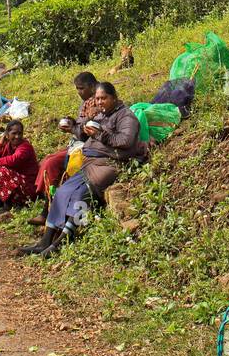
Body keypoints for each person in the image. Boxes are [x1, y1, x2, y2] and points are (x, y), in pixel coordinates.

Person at [20, 81, 146, 258]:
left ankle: (60, 243)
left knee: (81, 196)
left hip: (108, 164)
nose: (100, 102)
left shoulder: (126, 117)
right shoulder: (102, 115)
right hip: (89, 163)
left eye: (104, 98)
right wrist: (73, 127)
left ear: (114, 98)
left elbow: (125, 141)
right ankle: (45, 241)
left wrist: (100, 134)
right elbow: (84, 133)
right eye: (98, 99)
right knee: (63, 192)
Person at [30, 71, 99, 227]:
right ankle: (46, 207)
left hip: (88, 147)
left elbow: (86, 131)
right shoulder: (87, 101)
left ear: (92, 86)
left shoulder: (96, 103)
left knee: (52, 164)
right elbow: (81, 124)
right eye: (77, 89)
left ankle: (48, 212)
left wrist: (72, 128)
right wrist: (73, 123)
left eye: (81, 88)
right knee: (48, 159)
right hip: (77, 143)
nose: (79, 92)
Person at [0, 120, 39, 217]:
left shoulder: (25, 147)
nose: (17, 136)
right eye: (14, 133)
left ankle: (7, 205)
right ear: (7, 134)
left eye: (19, 133)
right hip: (14, 183)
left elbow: (13, 160)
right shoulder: (6, 145)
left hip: (27, 187)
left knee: (1, 171)